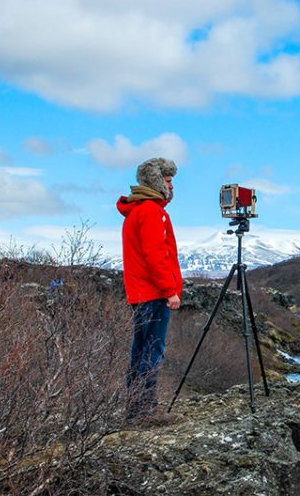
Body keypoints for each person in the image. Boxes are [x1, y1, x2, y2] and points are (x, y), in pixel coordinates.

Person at [117, 158, 184, 419]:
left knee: (141, 350)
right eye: (168, 181)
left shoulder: (138, 210)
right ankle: (145, 408)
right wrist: (170, 290)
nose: (171, 186)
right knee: (152, 350)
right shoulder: (150, 212)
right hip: (153, 293)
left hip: (141, 293)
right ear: (156, 182)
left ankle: (135, 407)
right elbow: (155, 256)